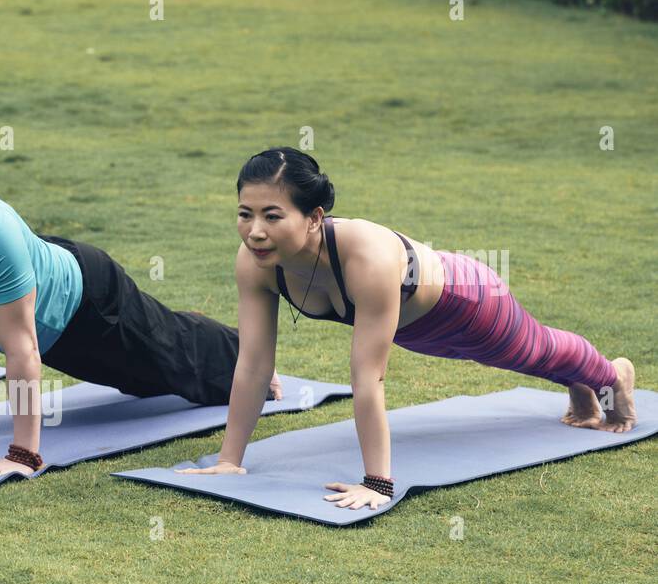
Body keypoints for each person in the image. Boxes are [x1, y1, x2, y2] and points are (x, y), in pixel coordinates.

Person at [0, 113, 282, 481]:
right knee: (140, 383)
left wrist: (23, 454)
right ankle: (221, 348)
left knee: (172, 368)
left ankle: (248, 362)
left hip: (88, 304)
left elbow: (20, 347)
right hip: (44, 295)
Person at [178, 147, 637, 511]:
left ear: (314, 217)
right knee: (527, 357)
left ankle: (610, 377)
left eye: (272, 216)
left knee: (531, 349)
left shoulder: (366, 256)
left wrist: (377, 483)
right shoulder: (257, 263)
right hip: (413, 328)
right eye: (245, 213)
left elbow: (368, 378)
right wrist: (228, 462)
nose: (254, 231)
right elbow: (255, 364)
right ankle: (578, 384)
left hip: (468, 301)